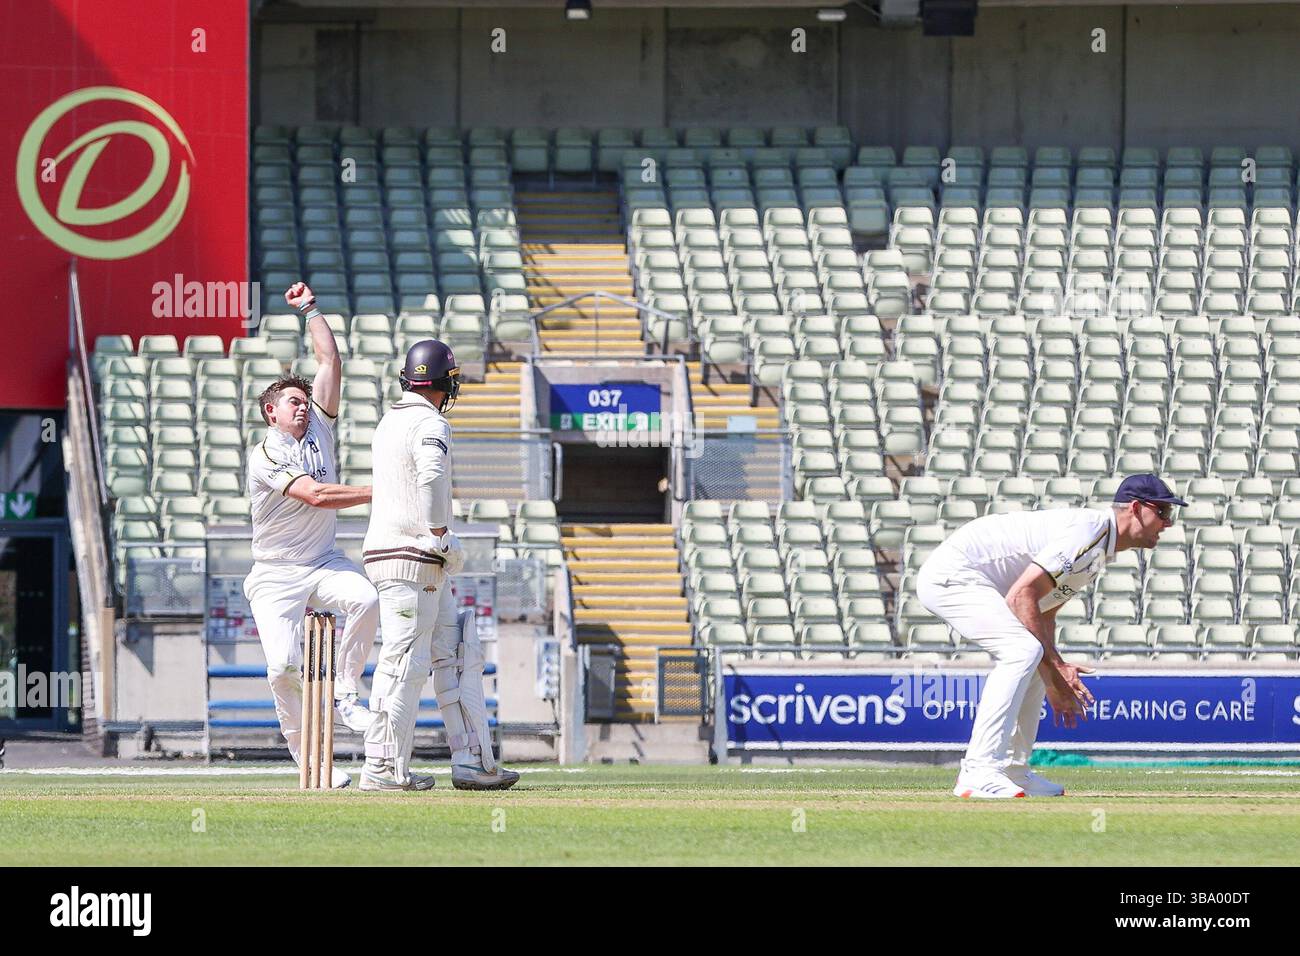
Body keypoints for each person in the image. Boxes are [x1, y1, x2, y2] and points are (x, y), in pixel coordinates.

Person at [916, 474, 1185, 799]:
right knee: (1022, 651)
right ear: (1137, 508)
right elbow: (1021, 596)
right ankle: (978, 770)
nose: (1167, 523)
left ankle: (1014, 771)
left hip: (978, 578)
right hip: (953, 574)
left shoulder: (1100, 550)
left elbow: (1044, 612)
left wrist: (1052, 679)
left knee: (1031, 653)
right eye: (1163, 513)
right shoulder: (1089, 532)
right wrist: (1056, 668)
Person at [359, 338, 519, 792]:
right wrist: (439, 533)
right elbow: (430, 474)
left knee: (456, 651)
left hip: (408, 559)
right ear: (443, 382)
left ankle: (471, 760)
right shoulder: (430, 422)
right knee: (405, 659)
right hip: (412, 556)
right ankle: (384, 767)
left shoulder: (389, 422)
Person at [242, 282, 378, 789]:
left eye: (304, 401)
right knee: (282, 668)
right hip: (275, 575)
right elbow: (316, 496)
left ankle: (345, 693)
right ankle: (309, 763)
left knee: (366, 597)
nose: (302, 407)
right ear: (270, 413)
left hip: (322, 561)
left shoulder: (320, 424)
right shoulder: (266, 454)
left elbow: (330, 361)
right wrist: (378, 490)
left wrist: (310, 309)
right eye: (291, 403)